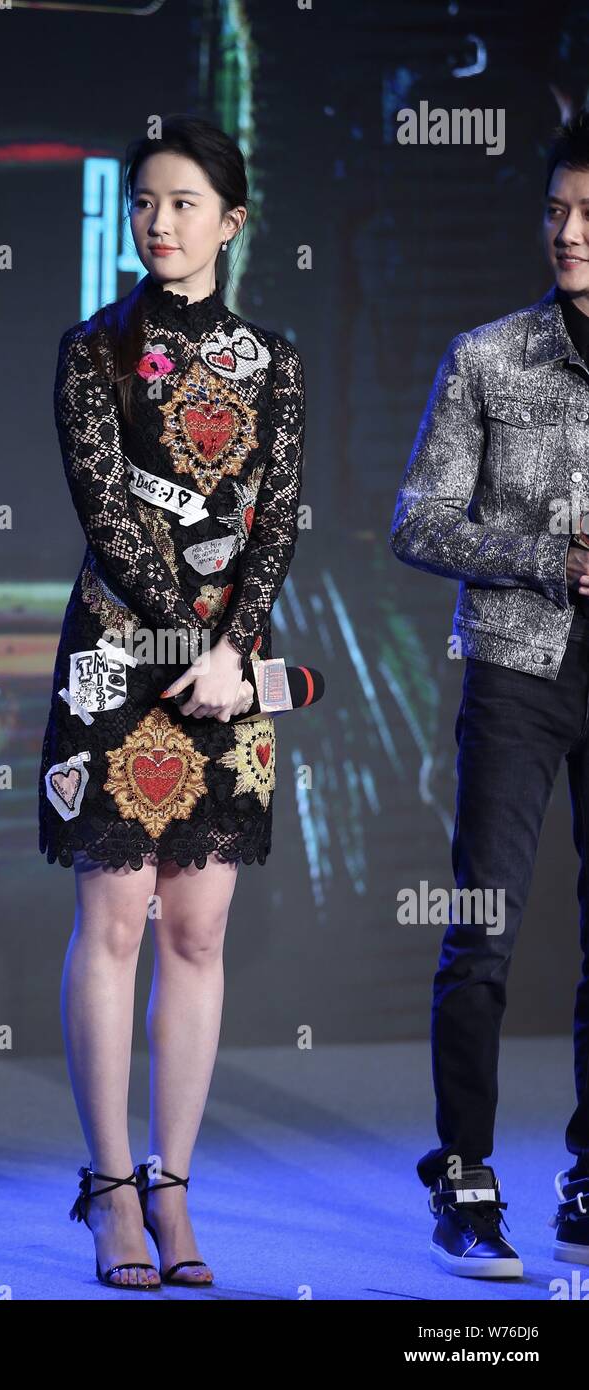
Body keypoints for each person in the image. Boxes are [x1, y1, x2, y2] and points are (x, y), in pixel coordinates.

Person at [38, 115, 306, 1289]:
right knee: (113, 923)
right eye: (144, 200)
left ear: (230, 221)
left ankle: (173, 1186)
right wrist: (185, 643)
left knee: (195, 932)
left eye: (184, 201)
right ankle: (107, 1193)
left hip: (228, 674)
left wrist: (232, 650)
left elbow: (276, 522)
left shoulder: (274, 361)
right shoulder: (90, 349)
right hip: (118, 662)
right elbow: (110, 517)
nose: (159, 220)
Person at [390, 107, 589, 1279]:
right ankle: (462, 1177)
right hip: (515, 669)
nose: (566, 234)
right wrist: (547, 557)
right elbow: (416, 519)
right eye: (555, 212)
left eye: (588, 216)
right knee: (481, 936)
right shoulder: (486, 356)